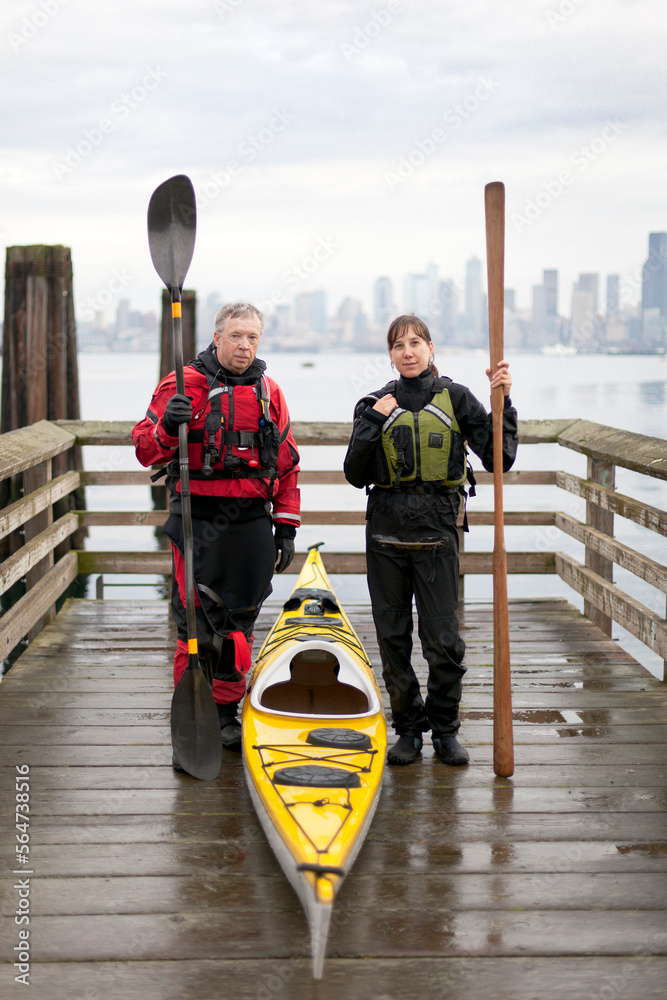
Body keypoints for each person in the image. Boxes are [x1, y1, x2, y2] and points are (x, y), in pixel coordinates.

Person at [344, 314, 517, 766]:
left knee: (443, 640)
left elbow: (500, 456)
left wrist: (504, 399)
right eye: (399, 345)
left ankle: (445, 729)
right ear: (390, 354)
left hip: (438, 532)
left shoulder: (457, 398)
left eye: (416, 343)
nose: (408, 351)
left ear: (431, 349)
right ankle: (408, 729)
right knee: (393, 639)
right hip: (385, 533)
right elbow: (354, 474)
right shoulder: (374, 403)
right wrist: (370, 423)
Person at [133, 302, 300, 765]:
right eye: (236, 336)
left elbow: (287, 466)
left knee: (239, 627)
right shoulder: (183, 384)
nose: (245, 346)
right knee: (194, 626)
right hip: (197, 521)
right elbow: (145, 448)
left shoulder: (270, 393)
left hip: (251, 525)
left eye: (253, 338)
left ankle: (227, 711)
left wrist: (285, 527)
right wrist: (169, 425)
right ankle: (192, 714)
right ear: (217, 336)